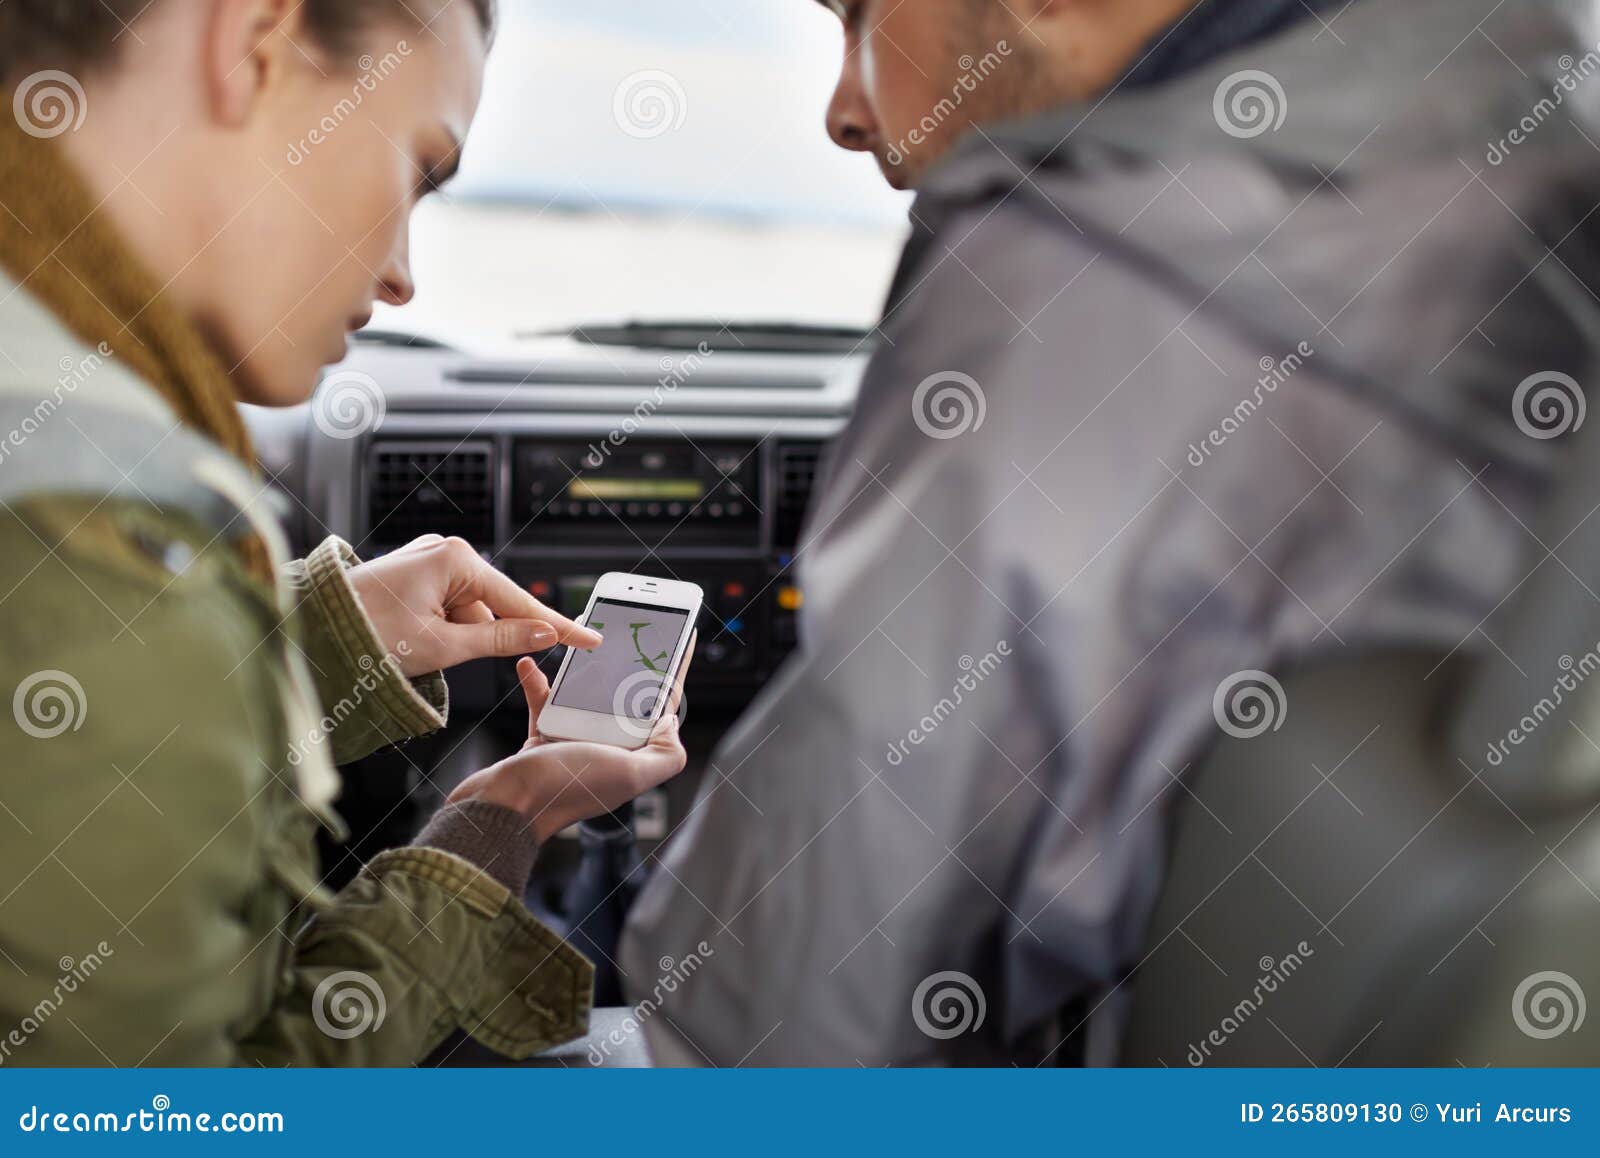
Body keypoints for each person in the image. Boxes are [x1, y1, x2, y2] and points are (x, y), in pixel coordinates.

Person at [621, 0, 1600, 1063]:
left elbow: (784, 1019)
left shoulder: (1075, 297)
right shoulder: (1547, 162)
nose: (843, 112)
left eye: (856, 16)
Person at [0, 0, 689, 1065]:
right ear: (255, 41)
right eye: (417, 167)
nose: (403, 273)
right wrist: (498, 822)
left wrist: (313, 643)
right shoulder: (107, 554)